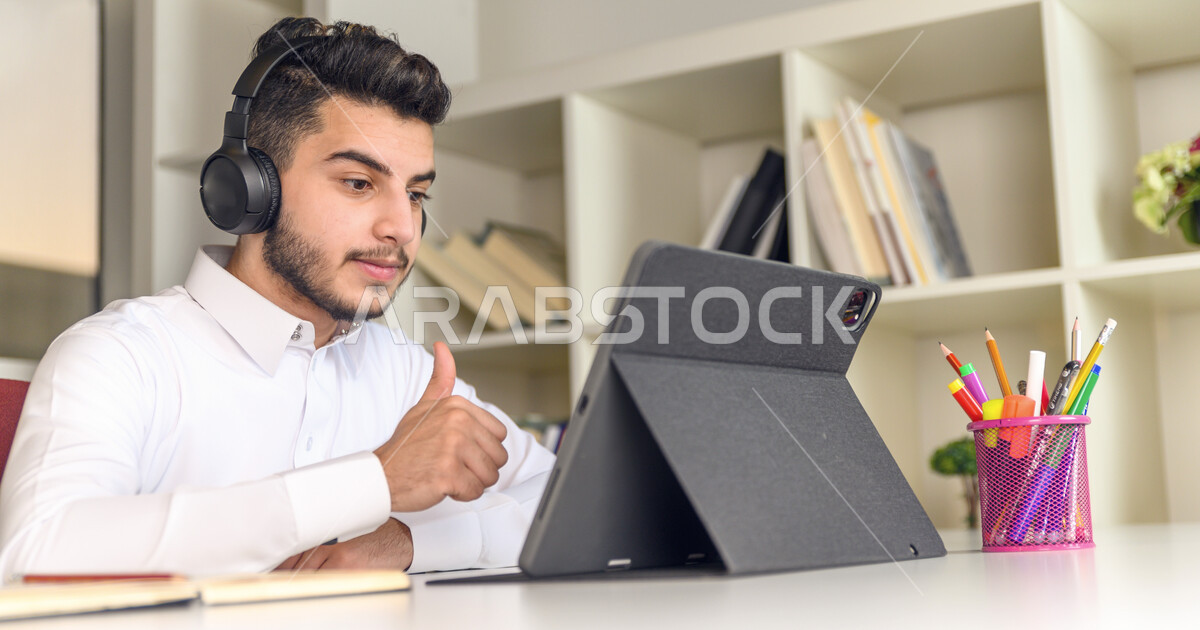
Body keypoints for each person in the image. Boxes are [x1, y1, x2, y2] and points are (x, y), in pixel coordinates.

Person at [0, 17, 555, 579]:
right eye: (359, 183)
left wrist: (408, 543)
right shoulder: (121, 355)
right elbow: (35, 551)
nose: (403, 229)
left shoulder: (409, 376)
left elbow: (569, 503)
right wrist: (375, 482)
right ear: (249, 189)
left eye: (414, 194)